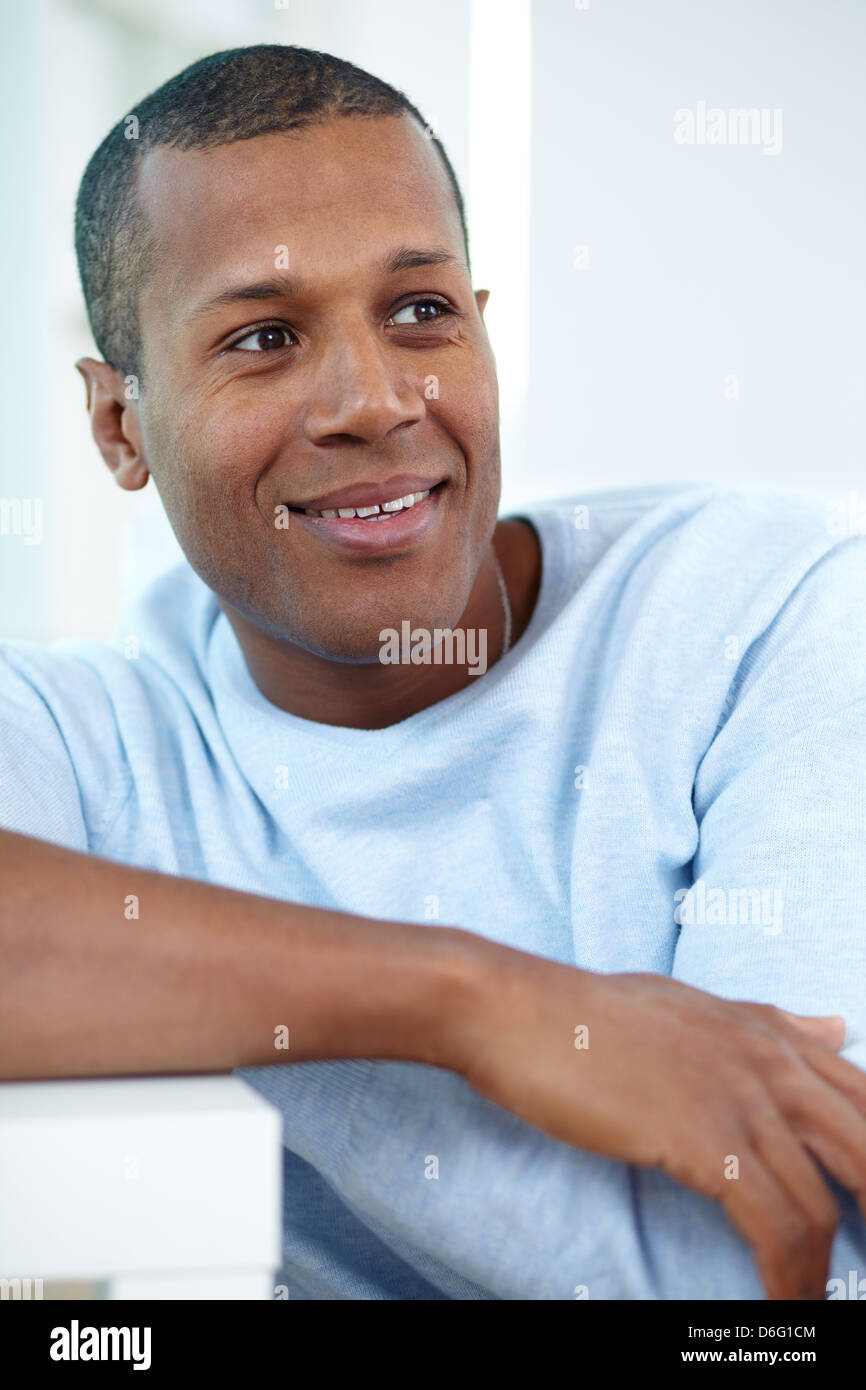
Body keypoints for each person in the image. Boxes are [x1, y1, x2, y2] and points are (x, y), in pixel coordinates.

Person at [2, 44, 865, 1302]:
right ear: (119, 426)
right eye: (262, 335)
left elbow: (770, 1268)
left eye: (419, 310)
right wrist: (471, 1002)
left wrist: (184, 1004)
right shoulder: (82, 738)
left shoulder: (762, 611)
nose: (373, 399)